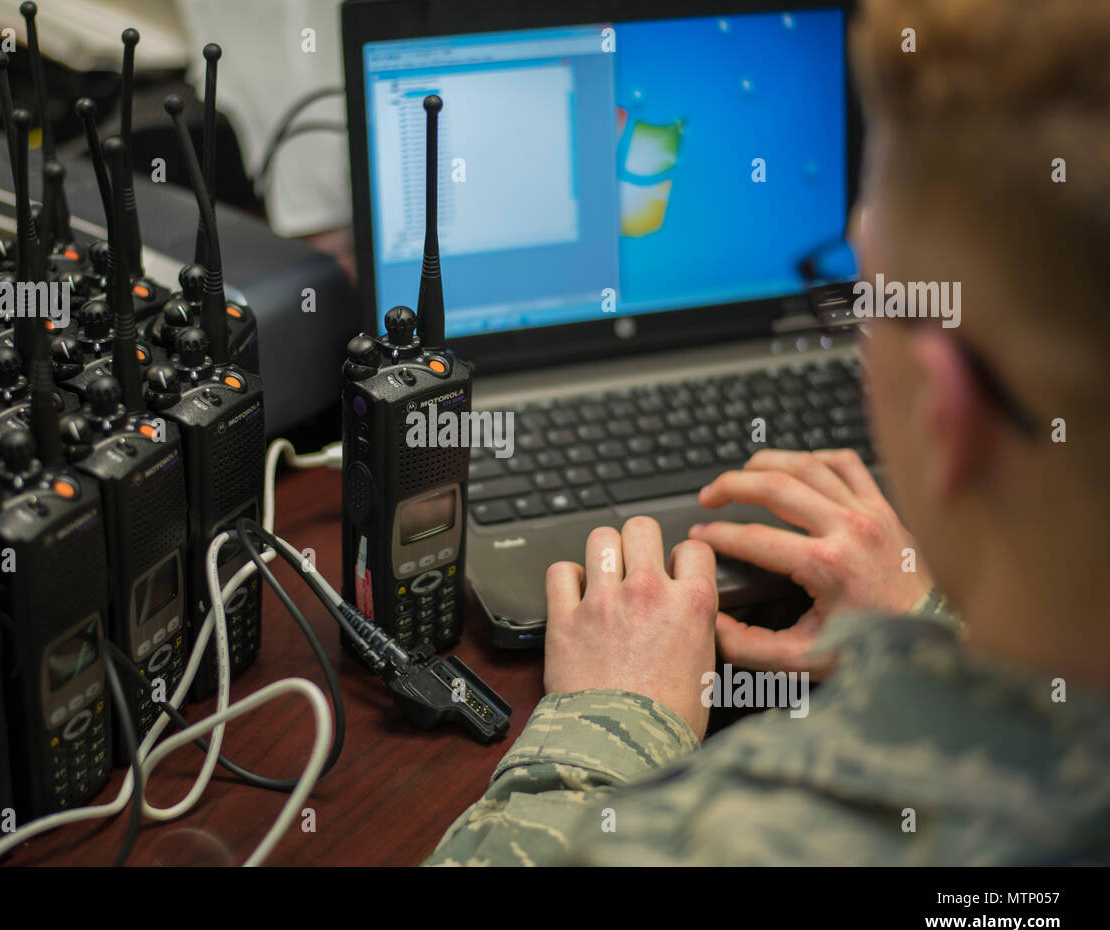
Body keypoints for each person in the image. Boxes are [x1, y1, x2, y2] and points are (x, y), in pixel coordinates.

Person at [425, 0, 1110, 866]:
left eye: (856, 283)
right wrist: (935, 617)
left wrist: (610, 720)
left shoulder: (746, 840)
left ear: (949, 412)